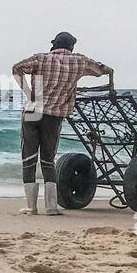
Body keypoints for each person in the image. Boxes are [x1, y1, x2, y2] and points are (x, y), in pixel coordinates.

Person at [12, 32, 112, 215]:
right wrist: (109, 72)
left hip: (32, 112)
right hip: (54, 115)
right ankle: (51, 207)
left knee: (28, 159)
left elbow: (16, 68)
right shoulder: (79, 62)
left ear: (54, 45)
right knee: (48, 160)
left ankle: (31, 207)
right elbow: (101, 70)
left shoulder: (40, 59)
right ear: (71, 47)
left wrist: (29, 93)